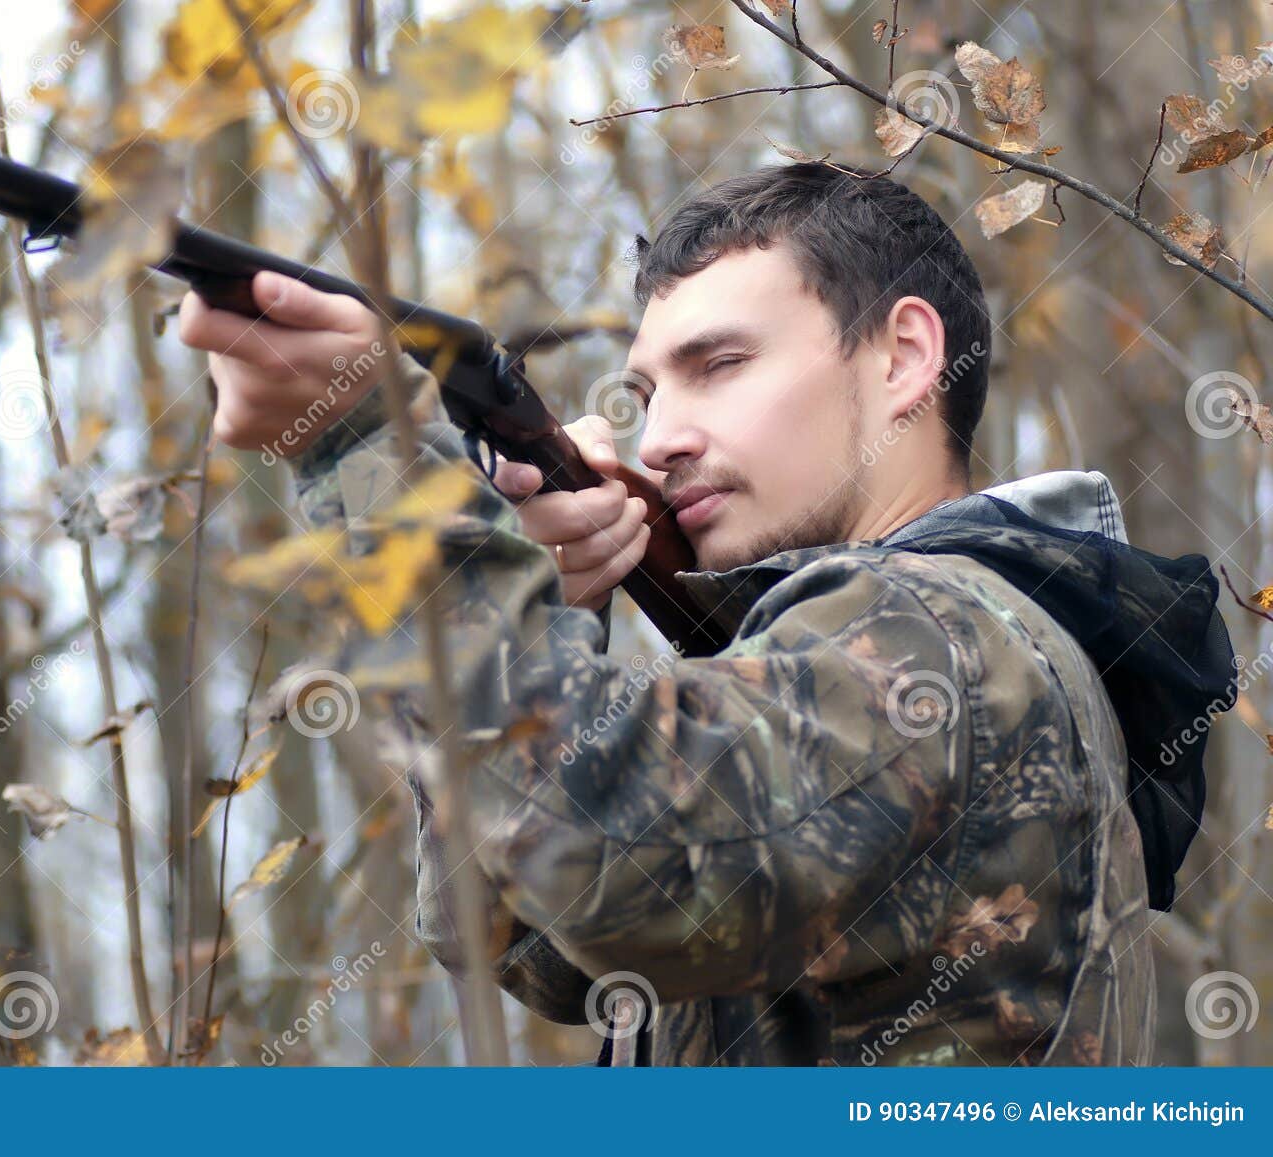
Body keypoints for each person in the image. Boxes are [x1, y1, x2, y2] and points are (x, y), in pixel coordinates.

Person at [176, 163, 1237, 1066]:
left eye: (719, 365)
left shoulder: (939, 630)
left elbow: (619, 861)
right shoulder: (936, 639)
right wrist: (552, 610)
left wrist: (370, 455)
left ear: (907, 357)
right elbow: (532, 939)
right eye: (643, 397)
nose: (661, 440)